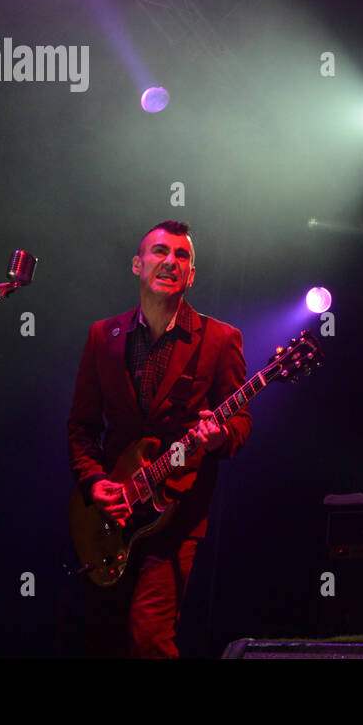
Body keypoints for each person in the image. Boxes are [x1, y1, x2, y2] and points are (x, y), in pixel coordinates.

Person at [66, 220, 250, 657]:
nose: (171, 261)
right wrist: (96, 483)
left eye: (182, 256)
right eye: (160, 251)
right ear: (137, 264)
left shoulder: (220, 339)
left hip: (176, 515)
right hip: (110, 515)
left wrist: (218, 437)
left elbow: (239, 422)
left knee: (149, 638)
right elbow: (81, 428)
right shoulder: (102, 336)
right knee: (101, 641)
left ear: (191, 275)